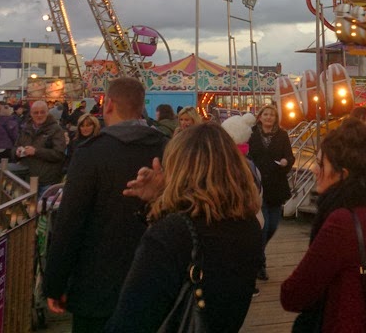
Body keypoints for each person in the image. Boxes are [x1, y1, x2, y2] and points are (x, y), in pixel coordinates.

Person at [105, 123, 263, 333]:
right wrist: (160, 198)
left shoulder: (171, 234)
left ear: (180, 169)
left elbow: (131, 319)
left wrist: (163, 202)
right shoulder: (248, 225)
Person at [44, 77, 167, 333]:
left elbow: (70, 223)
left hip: (97, 285)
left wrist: (55, 283)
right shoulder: (166, 149)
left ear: (108, 104)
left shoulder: (92, 152)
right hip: (154, 282)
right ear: (141, 106)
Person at [281, 119, 366, 332]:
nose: (313, 169)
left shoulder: (341, 223)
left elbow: (293, 295)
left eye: (321, 164)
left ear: (344, 174)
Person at [248, 104, 294, 281]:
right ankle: (260, 263)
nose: (268, 118)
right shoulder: (251, 133)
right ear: (260, 117)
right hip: (257, 185)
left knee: (273, 225)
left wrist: (285, 162)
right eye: (265, 114)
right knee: (263, 226)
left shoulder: (282, 135)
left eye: (271, 115)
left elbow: (290, 156)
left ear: (275, 119)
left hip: (276, 185)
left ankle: (258, 254)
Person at [14, 100, 66, 191]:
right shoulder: (25, 128)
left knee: (42, 205)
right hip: (27, 179)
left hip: (47, 180)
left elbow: (59, 154)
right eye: (36, 113)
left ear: (47, 112)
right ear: (31, 114)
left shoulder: (56, 129)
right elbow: (15, 147)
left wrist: (36, 151)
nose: (39, 115)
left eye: (42, 112)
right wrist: (17, 152)